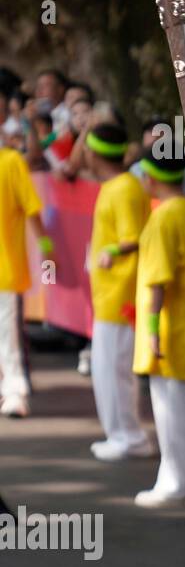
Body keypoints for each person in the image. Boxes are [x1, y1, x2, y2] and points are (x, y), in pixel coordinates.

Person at [132, 146, 185, 507]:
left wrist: (150, 330)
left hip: (170, 329)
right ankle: (183, 480)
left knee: (172, 410)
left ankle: (177, 483)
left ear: (150, 177)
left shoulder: (165, 217)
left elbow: (158, 281)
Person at [84, 122, 154, 460]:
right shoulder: (118, 185)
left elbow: (132, 239)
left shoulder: (123, 188)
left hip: (120, 297)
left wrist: (111, 252)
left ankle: (129, 436)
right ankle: (121, 435)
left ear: (94, 153)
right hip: (110, 296)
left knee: (115, 370)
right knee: (106, 369)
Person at [0, 142, 55, 418]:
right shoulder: (11, 162)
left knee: (8, 336)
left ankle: (15, 392)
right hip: (6, 270)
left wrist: (46, 247)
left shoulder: (11, 162)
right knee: (6, 335)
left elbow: (31, 208)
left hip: (5, 270)